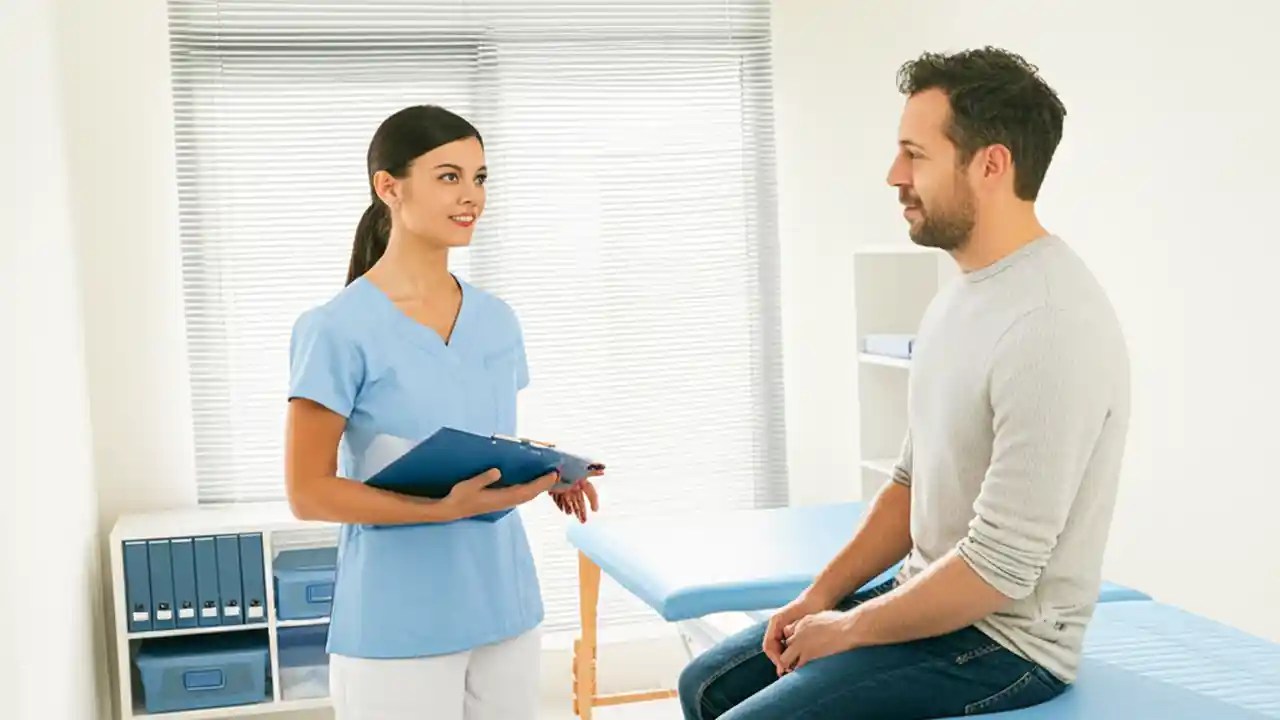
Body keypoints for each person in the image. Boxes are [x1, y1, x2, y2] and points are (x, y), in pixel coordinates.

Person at [678, 46, 1130, 719]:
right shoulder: (962, 295)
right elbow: (910, 482)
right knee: (706, 687)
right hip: (934, 602)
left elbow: (999, 571)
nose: (894, 175)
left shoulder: (1049, 324)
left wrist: (850, 628)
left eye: (915, 154)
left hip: (1005, 642)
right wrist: (818, 599)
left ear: (991, 164)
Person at [284, 104, 601, 720]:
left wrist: (542, 471)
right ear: (389, 187)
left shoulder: (496, 320)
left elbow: (478, 433)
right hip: (396, 621)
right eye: (449, 176)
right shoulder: (335, 329)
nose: (472, 196)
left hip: (503, 603)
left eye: (480, 178)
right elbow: (309, 491)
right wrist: (439, 508)